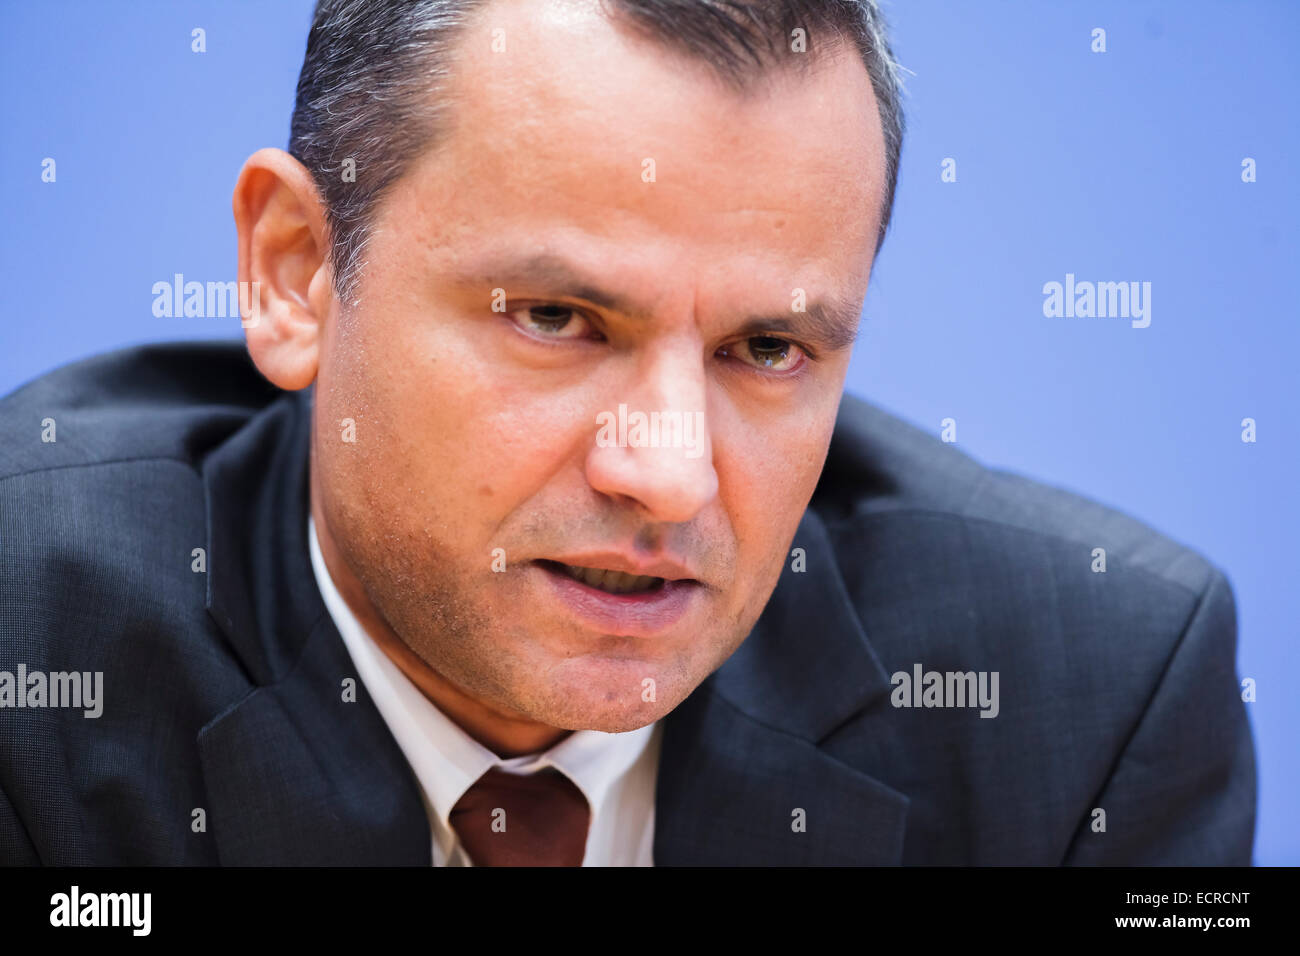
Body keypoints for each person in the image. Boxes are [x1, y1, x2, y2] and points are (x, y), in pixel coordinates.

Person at [0, 0, 1254, 865]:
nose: (667, 474)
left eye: (766, 350)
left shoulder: (1090, 703)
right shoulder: (28, 653)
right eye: (555, 318)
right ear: (296, 274)